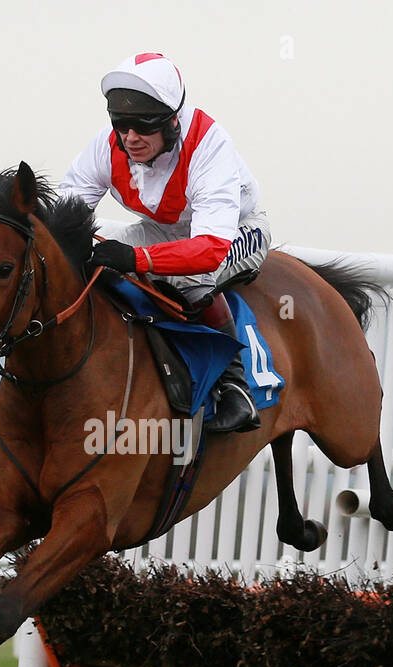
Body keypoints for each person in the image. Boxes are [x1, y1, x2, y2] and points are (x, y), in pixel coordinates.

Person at [59, 52, 269, 433]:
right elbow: (65, 215)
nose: (130, 138)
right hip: (165, 230)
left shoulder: (208, 143)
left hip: (237, 230)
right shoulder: (107, 146)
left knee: (191, 277)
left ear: (173, 122)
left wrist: (137, 259)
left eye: (142, 127)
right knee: (90, 254)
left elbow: (208, 249)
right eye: (121, 125)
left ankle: (235, 386)